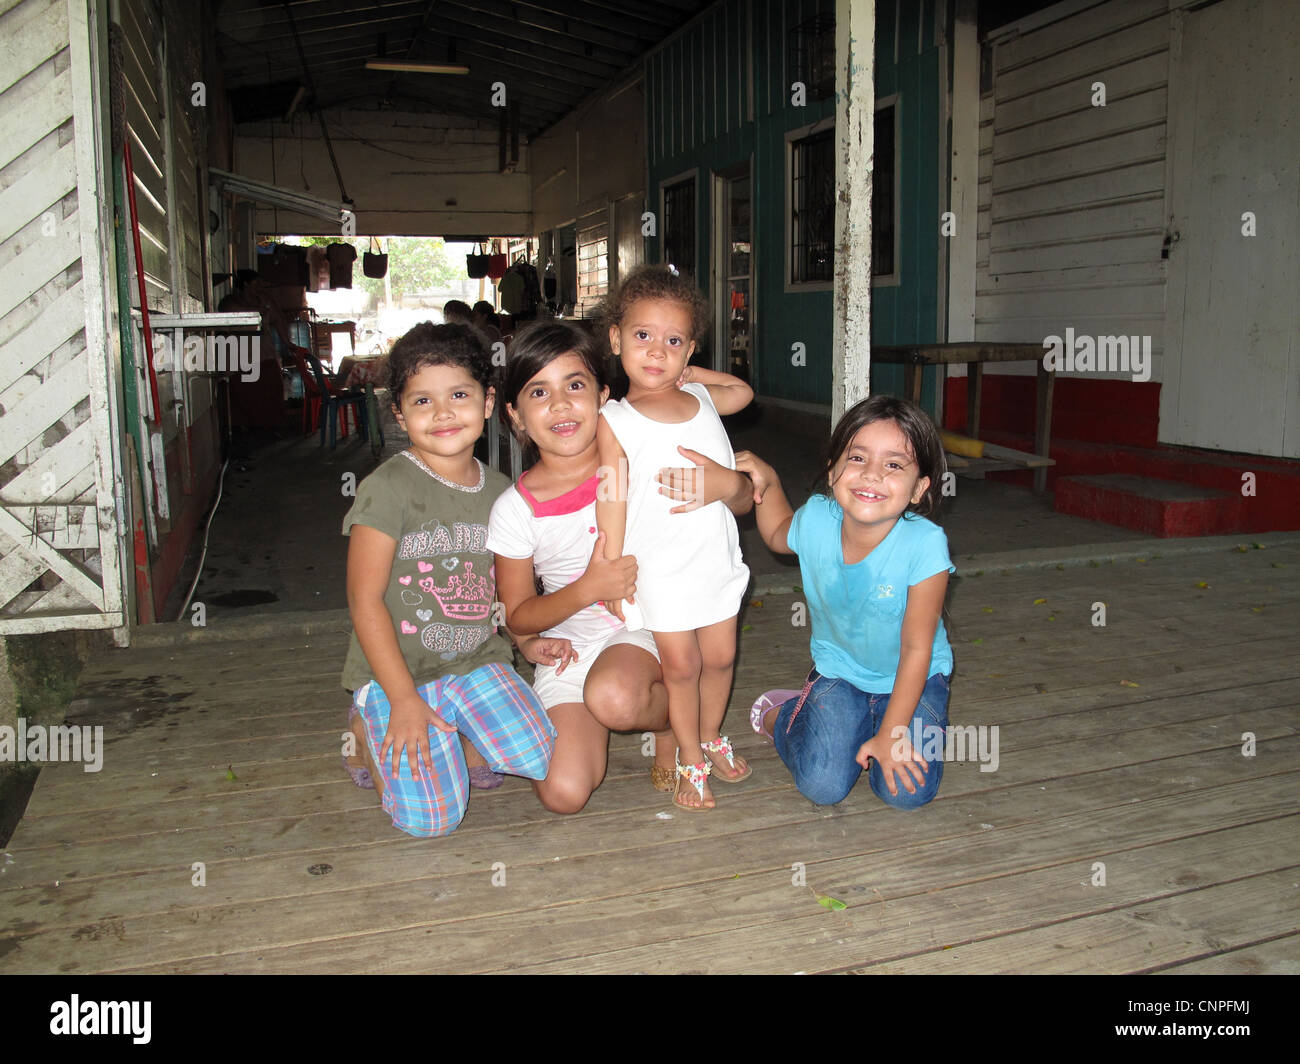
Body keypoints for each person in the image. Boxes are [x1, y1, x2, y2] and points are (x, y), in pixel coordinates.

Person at [489, 321, 755, 813]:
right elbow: (517, 615)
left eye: (575, 385)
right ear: (515, 414)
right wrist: (584, 591)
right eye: (538, 392)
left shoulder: (642, 451)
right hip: (569, 649)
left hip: (643, 633)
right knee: (564, 795)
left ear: (604, 397)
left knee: (615, 698)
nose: (562, 405)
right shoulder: (515, 509)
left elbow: (738, 499)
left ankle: (678, 728)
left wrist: (732, 483)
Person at [339, 322, 563, 837]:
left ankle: (456, 730)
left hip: (473, 661)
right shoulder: (387, 489)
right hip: (396, 671)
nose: (442, 413)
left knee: (536, 754)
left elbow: (510, 591)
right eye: (421, 401)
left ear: (487, 403)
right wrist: (401, 699)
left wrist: (527, 643)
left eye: (458, 395)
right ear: (399, 414)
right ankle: (365, 730)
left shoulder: (506, 494)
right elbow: (364, 600)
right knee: (431, 822)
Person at [738, 395, 954, 810]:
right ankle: (783, 713)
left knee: (906, 793)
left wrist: (893, 732)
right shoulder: (818, 518)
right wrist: (769, 482)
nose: (872, 475)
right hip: (841, 673)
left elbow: (916, 649)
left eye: (894, 465)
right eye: (857, 457)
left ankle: (876, 727)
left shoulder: (925, 545)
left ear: (919, 488)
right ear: (834, 469)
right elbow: (778, 533)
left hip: (915, 676)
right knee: (823, 786)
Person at [595, 265, 754, 812]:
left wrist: (694, 374)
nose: (656, 351)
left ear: (691, 350)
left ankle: (711, 734)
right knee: (682, 667)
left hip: (712, 556)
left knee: (722, 655)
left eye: (673, 340)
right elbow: (611, 492)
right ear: (616, 339)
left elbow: (742, 391)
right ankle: (689, 755)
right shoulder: (615, 418)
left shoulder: (703, 399)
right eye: (642, 336)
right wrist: (610, 565)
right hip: (659, 565)